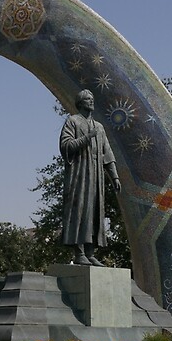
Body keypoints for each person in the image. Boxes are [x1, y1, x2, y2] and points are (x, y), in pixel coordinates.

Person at [59, 89, 121, 266]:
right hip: (79, 174)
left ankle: (90, 252)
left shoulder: (99, 127)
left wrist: (114, 177)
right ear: (80, 103)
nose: (91, 101)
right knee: (79, 210)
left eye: (92, 99)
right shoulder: (73, 121)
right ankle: (79, 253)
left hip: (96, 176)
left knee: (94, 211)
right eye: (88, 99)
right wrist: (87, 138)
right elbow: (65, 146)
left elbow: (107, 153)